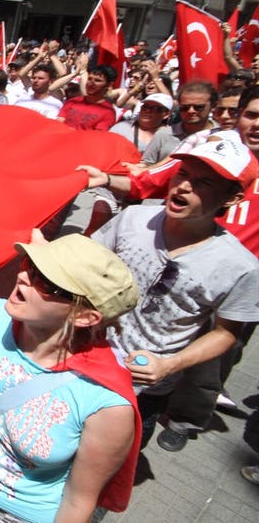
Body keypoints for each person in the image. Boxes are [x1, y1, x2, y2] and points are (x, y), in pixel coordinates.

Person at [0, 233, 141, 522]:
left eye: (44, 281)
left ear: (84, 317)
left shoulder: (106, 403)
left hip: (8, 516)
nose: (22, 277)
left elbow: (78, 501)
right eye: (29, 265)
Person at [80, 139, 259, 449]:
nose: (184, 187)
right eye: (182, 173)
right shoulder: (133, 219)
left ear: (232, 197)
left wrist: (168, 365)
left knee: (107, 466)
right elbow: (85, 266)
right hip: (84, 359)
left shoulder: (241, 267)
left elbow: (226, 334)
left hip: (143, 389)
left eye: (203, 182)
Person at [108, 93, 173, 155]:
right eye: (145, 106)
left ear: (166, 114)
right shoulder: (121, 129)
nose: (147, 110)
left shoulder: (172, 137)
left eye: (155, 108)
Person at [58, 65, 117, 130]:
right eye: (89, 79)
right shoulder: (72, 101)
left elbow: (97, 136)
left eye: (97, 80)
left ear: (109, 85)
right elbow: (59, 123)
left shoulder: (108, 112)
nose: (91, 83)